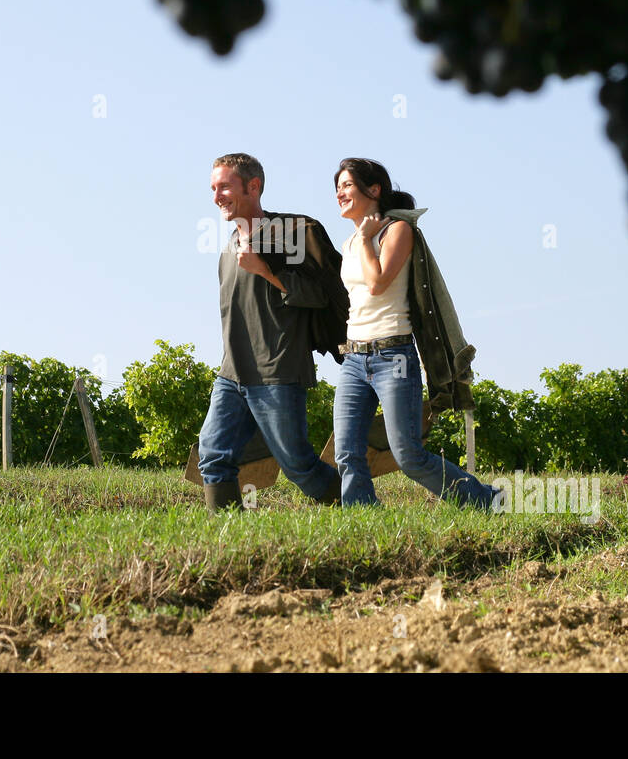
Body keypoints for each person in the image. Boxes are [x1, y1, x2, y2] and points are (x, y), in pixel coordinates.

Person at [332, 157, 497, 508]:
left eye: (346, 185)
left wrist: (364, 240)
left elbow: (377, 283)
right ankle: (362, 519)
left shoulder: (397, 231)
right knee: (347, 453)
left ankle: (485, 500)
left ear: (373, 190)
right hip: (354, 358)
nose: (339, 193)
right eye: (338, 187)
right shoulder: (349, 243)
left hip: (393, 356)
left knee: (407, 454)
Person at [197, 153, 346, 512]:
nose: (217, 196)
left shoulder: (290, 233)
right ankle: (226, 537)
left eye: (225, 186)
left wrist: (265, 270)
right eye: (213, 188)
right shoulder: (229, 245)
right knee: (213, 456)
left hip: (277, 372)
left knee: (298, 466)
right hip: (232, 373)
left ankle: (359, 507)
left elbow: (322, 294)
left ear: (254, 186)